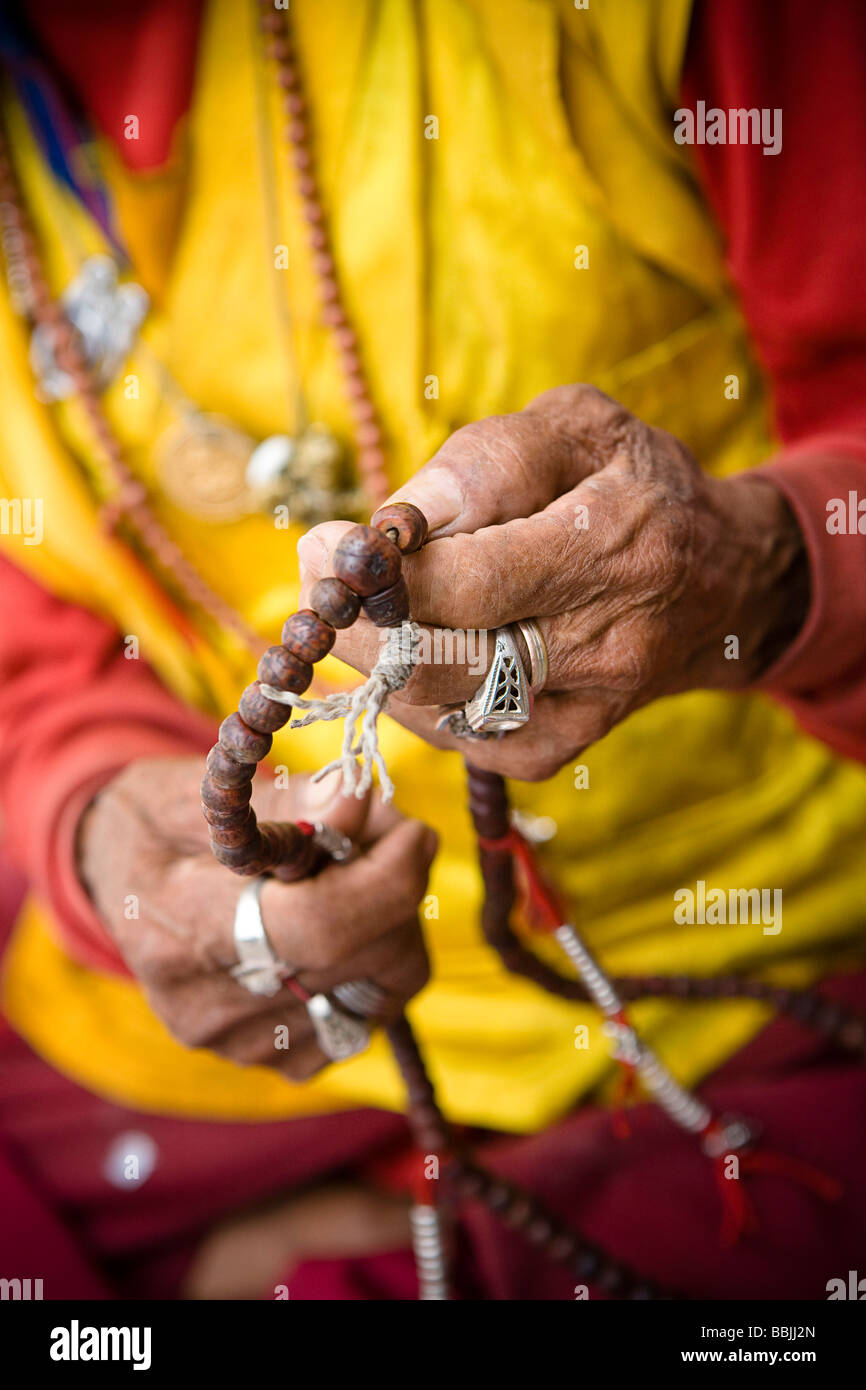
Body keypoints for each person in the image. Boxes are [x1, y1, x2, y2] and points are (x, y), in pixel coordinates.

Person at [1, 0, 865, 1300]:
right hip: (202, 1043)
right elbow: (38, 660)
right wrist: (105, 843)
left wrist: (757, 561)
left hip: (758, 953)